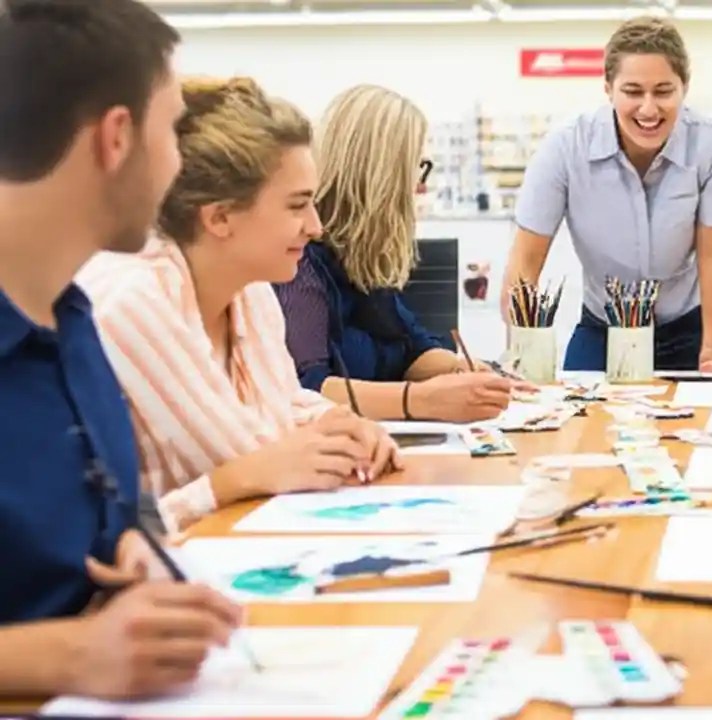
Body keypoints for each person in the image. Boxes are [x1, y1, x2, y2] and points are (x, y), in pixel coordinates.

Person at [0, 0, 240, 699]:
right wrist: (66, 655)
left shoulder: (71, 323)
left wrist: (128, 547)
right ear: (116, 137)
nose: (178, 164)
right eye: (173, 132)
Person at [77, 77, 400, 533]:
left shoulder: (250, 293)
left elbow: (281, 406)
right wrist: (238, 479)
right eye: (297, 206)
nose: (317, 227)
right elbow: (249, 455)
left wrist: (340, 424)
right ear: (220, 216)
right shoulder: (129, 304)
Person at [505, 16, 712, 373]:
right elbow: (524, 264)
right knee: (578, 420)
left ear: (685, 86)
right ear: (608, 88)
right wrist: (520, 353)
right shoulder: (565, 147)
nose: (648, 109)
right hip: (601, 327)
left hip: (686, 325)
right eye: (633, 91)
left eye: (664, 91)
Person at [275, 85, 517, 423]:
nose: (421, 186)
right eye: (419, 167)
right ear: (382, 173)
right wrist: (420, 400)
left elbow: (412, 349)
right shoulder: (300, 262)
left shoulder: (361, 257)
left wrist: (463, 368)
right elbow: (306, 390)